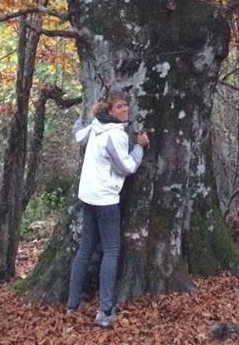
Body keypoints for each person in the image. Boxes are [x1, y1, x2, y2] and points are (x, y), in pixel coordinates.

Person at [66, 90, 150, 328]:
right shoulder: (116, 134)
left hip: (88, 195)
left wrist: (78, 122)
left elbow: (78, 135)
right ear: (109, 111)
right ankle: (104, 311)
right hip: (104, 199)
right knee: (111, 250)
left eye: (126, 106)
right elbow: (127, 166)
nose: (125, 110)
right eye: (120, 107)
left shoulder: (95, 127)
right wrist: (140, 147)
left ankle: (72, 304)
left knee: (85, 248)